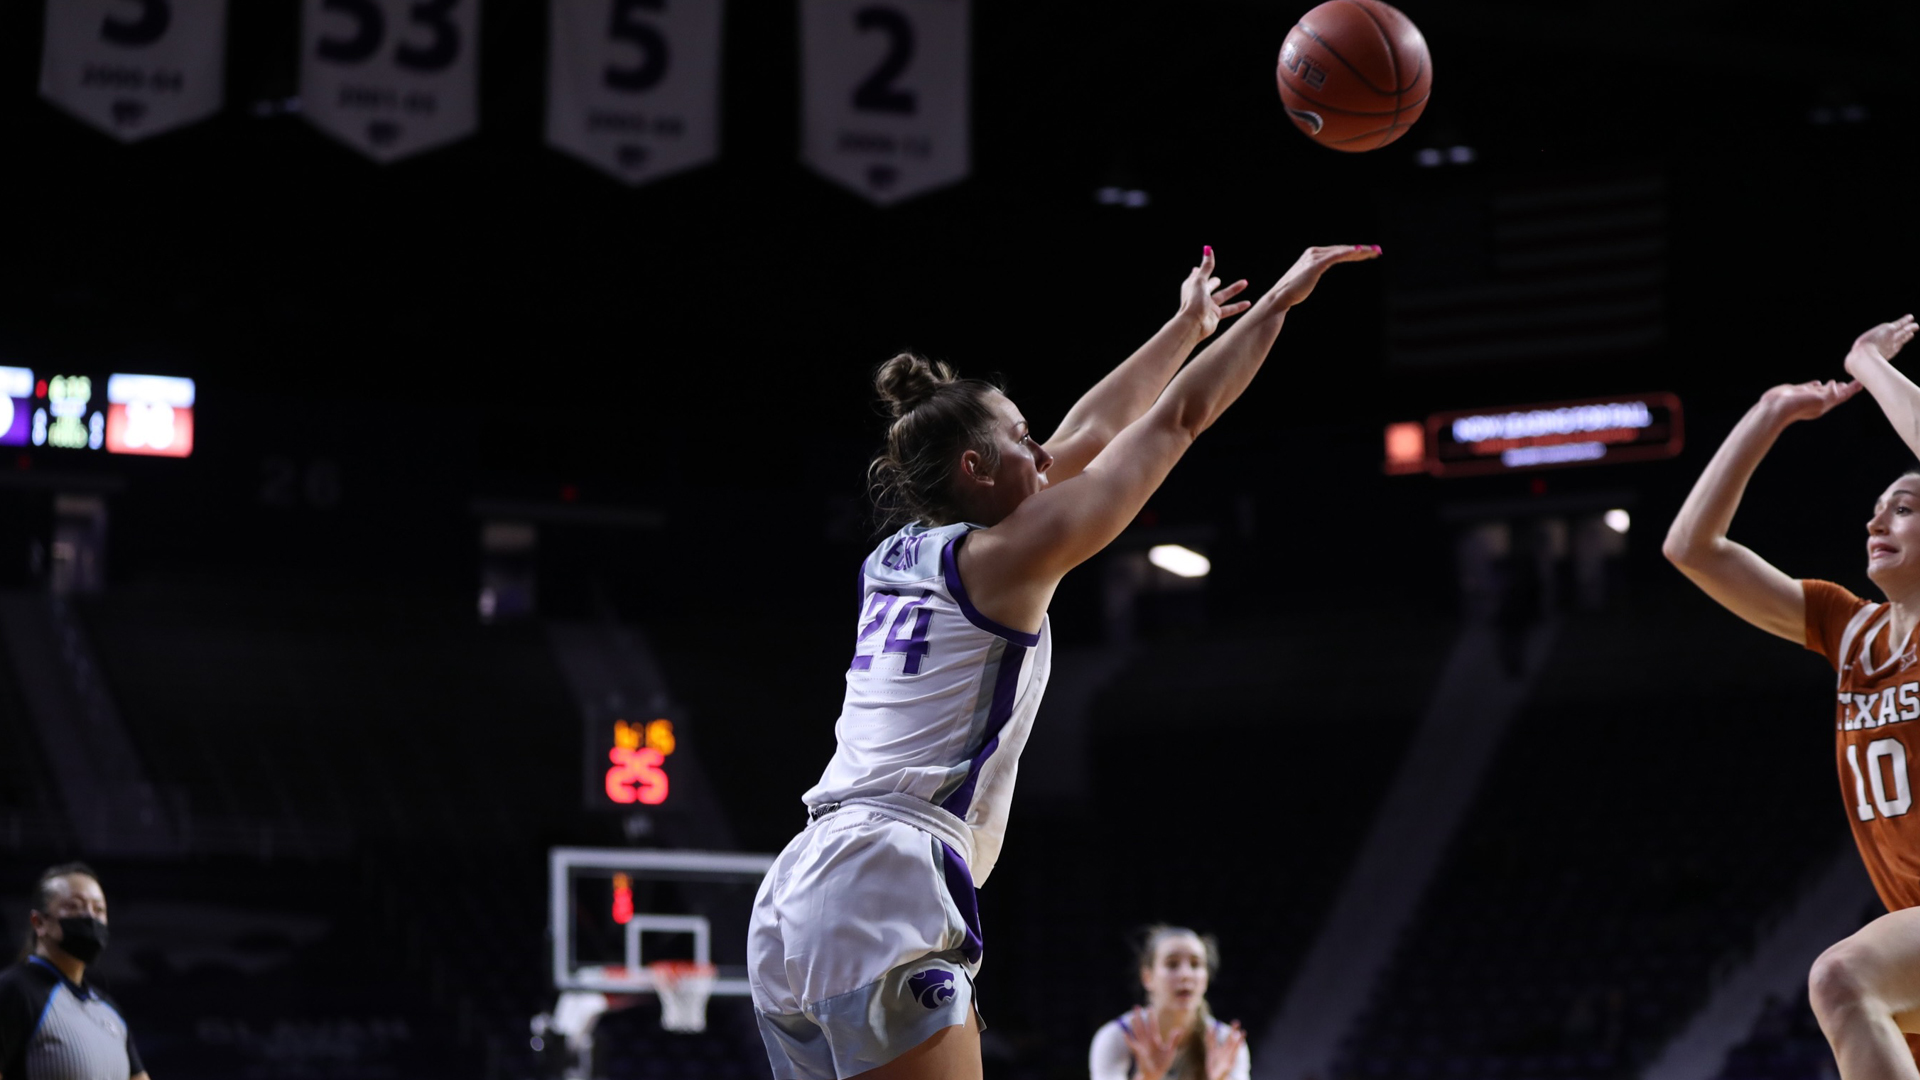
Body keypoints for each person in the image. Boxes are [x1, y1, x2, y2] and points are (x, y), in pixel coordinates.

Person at [747, 241, 1378, 1080]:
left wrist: (1186, 323)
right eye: (1021, 439)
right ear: (974, 470)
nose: (1043, 453)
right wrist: (1278, 308)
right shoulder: (1007, 559)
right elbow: (1175, 421)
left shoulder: (899, 555)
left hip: (800, 887)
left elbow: (1090, 431)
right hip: (881, 878)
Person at [1663, 314, 1920, 1080]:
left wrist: (1867, 363)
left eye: (1905, 504)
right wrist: (1769, 414)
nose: (1877, 517)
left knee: (1842, 979)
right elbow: (1693, 550)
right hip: (1912, 924)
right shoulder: (1847, 631)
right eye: (1876, 506)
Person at [0, 863, 149, 1080]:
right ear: (40, 922)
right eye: (75, 906)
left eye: (99, 910)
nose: (90, 917)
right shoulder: (13, 990)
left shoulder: (108, 1009)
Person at [1088, 925, 1248, 1080]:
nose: (1186, 974)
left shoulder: (1226, 1043)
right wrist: (1148, 1078)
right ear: (1147, 977)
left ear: (1206, 979)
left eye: (1195, 964)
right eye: (1172, 964)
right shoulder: (1116, 1037)